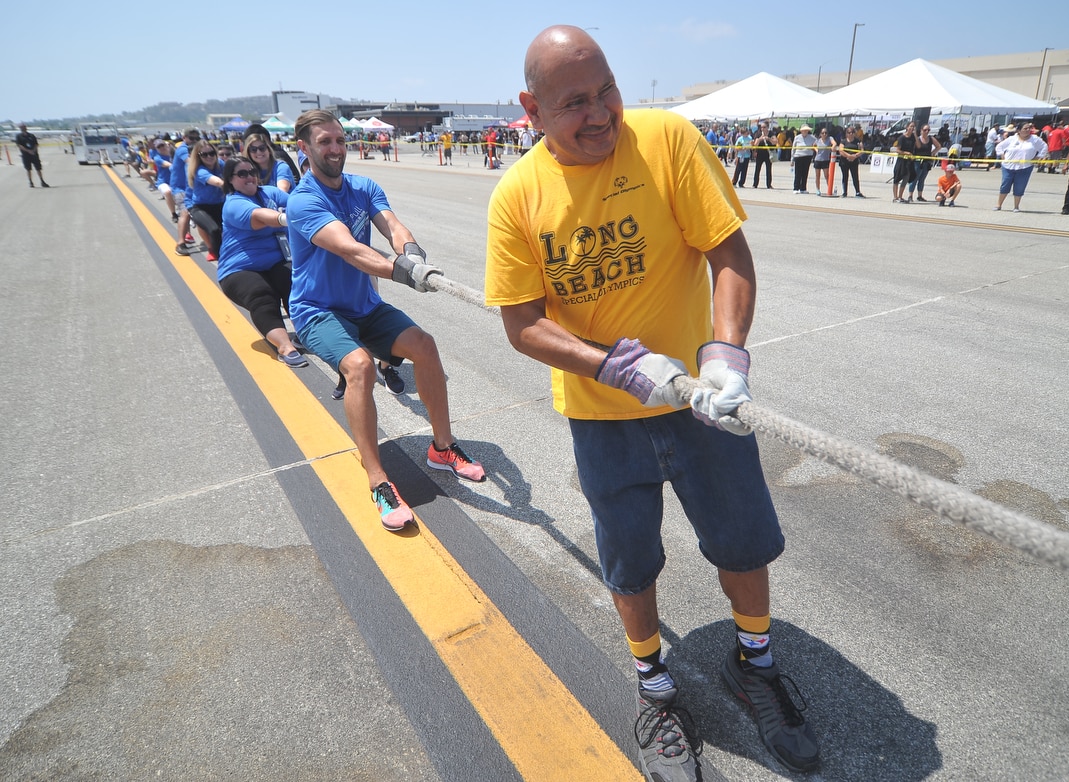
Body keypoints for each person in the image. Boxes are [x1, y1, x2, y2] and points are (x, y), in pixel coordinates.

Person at [485, 25, 819, 781]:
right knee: (630, 559)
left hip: (702, 406)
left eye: (607, 91)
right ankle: (655, 687)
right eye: (575, 103)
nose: (601, 113)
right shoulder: (516, 197)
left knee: (743, 539)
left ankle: (755, 663)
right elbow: (522, 322)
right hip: (604, 419)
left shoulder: (666, 140)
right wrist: (614, 367)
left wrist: (725, 353)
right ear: (530, 108)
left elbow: (726, 250)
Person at [287, 108, 486, 532]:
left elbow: (391, 224)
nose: (336, 148)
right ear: (304, 148)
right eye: (325, 142)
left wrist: (411, 252)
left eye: (339, 140)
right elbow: (350, 249)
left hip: (363, 304)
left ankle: (442, 447)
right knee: (359, 366)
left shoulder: (363, 186)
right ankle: (378, 480)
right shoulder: (304, 200)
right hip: (318, 311)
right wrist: (401, 271)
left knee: (425, 346)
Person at [217, 155, 306, 366]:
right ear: (230, 179)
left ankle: (307, 333)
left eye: (252, 172)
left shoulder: (270, 192)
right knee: (262, 294)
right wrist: (284, 218)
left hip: (275, 261)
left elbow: (295, 203)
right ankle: (285, 347)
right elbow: (258, 216)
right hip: (238, 269)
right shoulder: (233, 203)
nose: (249, 177)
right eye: (242, 174)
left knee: (298, 283)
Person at [995, 122, 1048, 212]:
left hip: (1025, 167)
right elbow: (999, 146)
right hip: (1008, 166)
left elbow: (1044, 146)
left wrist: (1038, 156)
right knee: (1005, 185)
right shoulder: (1012, 139)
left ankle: (1016, 206)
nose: (1028, 130)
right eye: (1025, 128)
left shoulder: (1035, 139)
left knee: (1020, 187)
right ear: (1019, 130)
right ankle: (998, 205)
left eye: (1029, 128)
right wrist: (1001, 154)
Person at [187, 139, 226, 262]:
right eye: (204, 154)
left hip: (219, 204)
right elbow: (218, 182)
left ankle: (224, 250)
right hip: (200, 206)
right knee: (213, 229)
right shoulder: (199, 170)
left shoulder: (220, 164)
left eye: (211, 153)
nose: (209, 156)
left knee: (228, 229)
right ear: (198, 157)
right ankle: (219, 256)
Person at [908, 123, 942, 201]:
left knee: (922, 179)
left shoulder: (931, 139)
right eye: (925, 130)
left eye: (928, 130)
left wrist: (933, 153)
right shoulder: (918, 139)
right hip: (917, 162)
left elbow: (939, 146)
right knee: (914, 179)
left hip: (926, 162)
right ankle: (910, 195)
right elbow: (918, 146)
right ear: (921, 130)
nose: (927, 131)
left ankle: (920, 196)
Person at [150, 139, 179, 223]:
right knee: (167, 192)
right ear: (156, 149)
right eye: (159, 147)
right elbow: (169, 165)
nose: (162, 147)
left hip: (176, 181)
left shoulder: (174, 154)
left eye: (162, 145)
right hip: (163, 181)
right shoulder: (157, 158)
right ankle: (174, 214)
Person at [15, 124, 50, 188]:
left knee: (38, 168)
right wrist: (28, 151)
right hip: (26, 155)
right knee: (28, 169)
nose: (23, 128)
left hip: (34, 155)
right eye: (22, 127)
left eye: (24, 127)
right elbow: (19, 145)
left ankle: (42, 181)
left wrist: (33, 150)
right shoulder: (19, 136)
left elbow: (36, 144)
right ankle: (30, 182)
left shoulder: (31, 135)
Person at [837, 125, 866, 198]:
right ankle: (844, 192)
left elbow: (862, 150)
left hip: (854, 161)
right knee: (845, 176)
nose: (851, 134)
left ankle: (857, 192)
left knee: (855, 176)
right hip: (844, 161)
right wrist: (849, 156)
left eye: (853, 132)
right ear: (846, 133)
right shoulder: (843, 141)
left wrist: (854, 156)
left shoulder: (858, 141)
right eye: (849, 132)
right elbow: (841, 150)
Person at [892, 121, 918, 202]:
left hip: (909, 161)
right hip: (901, 161)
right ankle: (895, 197)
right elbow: (897, 150)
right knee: (897, 179)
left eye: (913, 127)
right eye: (911, 126)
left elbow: (919, 145)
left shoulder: (913, 138)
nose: (912, 128)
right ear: (907, 127)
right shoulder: (902, 138)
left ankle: (900, 196)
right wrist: (906, 153)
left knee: (906, 178)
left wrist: (916, 135)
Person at [790, 124, 816, 193]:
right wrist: (792, 159)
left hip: (807, 156)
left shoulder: (812, 138)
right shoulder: (797, 137)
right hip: (798, 156)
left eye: (806, 130)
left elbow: (816, 144)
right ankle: (796, 188)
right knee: (798, 173)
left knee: (805, 173)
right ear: (801, 131)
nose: (805, 132)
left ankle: (803, 188)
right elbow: (793, 148)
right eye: (803, 130)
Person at [751, 123, 774, 188]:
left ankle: (769, 185)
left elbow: (775, 142)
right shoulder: (758, 134)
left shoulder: (771, 133)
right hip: (760, 154)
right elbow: (755, 144)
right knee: (757, 169)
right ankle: (755, 184)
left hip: (768, 154)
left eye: (764, 127)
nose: (762, 129)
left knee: (769, 170)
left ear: (767, 127)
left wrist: (769, 138)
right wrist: (760, 138)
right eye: (761, 127)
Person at [813, 127, 833, 192]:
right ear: (820, 134)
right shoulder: (818, 140)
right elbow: (813, 145)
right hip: (818, 159)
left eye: (825, 133)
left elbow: (834, 143)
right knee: (817, 176)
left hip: (825, 159)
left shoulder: (829, 139)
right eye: (823, 133)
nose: (824, 134)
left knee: (826, 175)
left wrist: (833, 147)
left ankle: (829, 189)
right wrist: (816, 150)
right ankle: (818, 189)